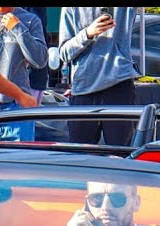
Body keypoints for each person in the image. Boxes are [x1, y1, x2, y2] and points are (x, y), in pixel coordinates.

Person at [58, 7, 141, 146]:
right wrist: (87, 33)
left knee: (119, 155)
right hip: (84, 89)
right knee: (80, 156)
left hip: (118, 84)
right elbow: (64, 53)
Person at [0, 7, 48, 141]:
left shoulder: (30, 20)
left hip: (18, 106)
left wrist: (18, 29)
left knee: (19, 160)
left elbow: (40, 60)